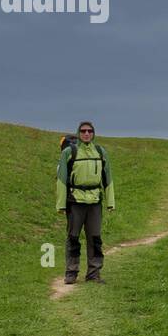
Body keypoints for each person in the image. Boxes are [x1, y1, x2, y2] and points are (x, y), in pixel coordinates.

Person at [55, 121, 115, 284]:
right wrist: (61, 204)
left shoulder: (100, 152)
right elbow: (61, 179)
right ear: (79, 133)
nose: (86, 133)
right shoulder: (69, 152)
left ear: (93, 133)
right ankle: (71, 273)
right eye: (83, 131)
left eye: (90, 131)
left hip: (95, 201)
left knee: (95, 238)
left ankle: (93, 274)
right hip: (75, 201)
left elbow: (107, 178)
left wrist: (110, 202)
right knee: (73, 238)